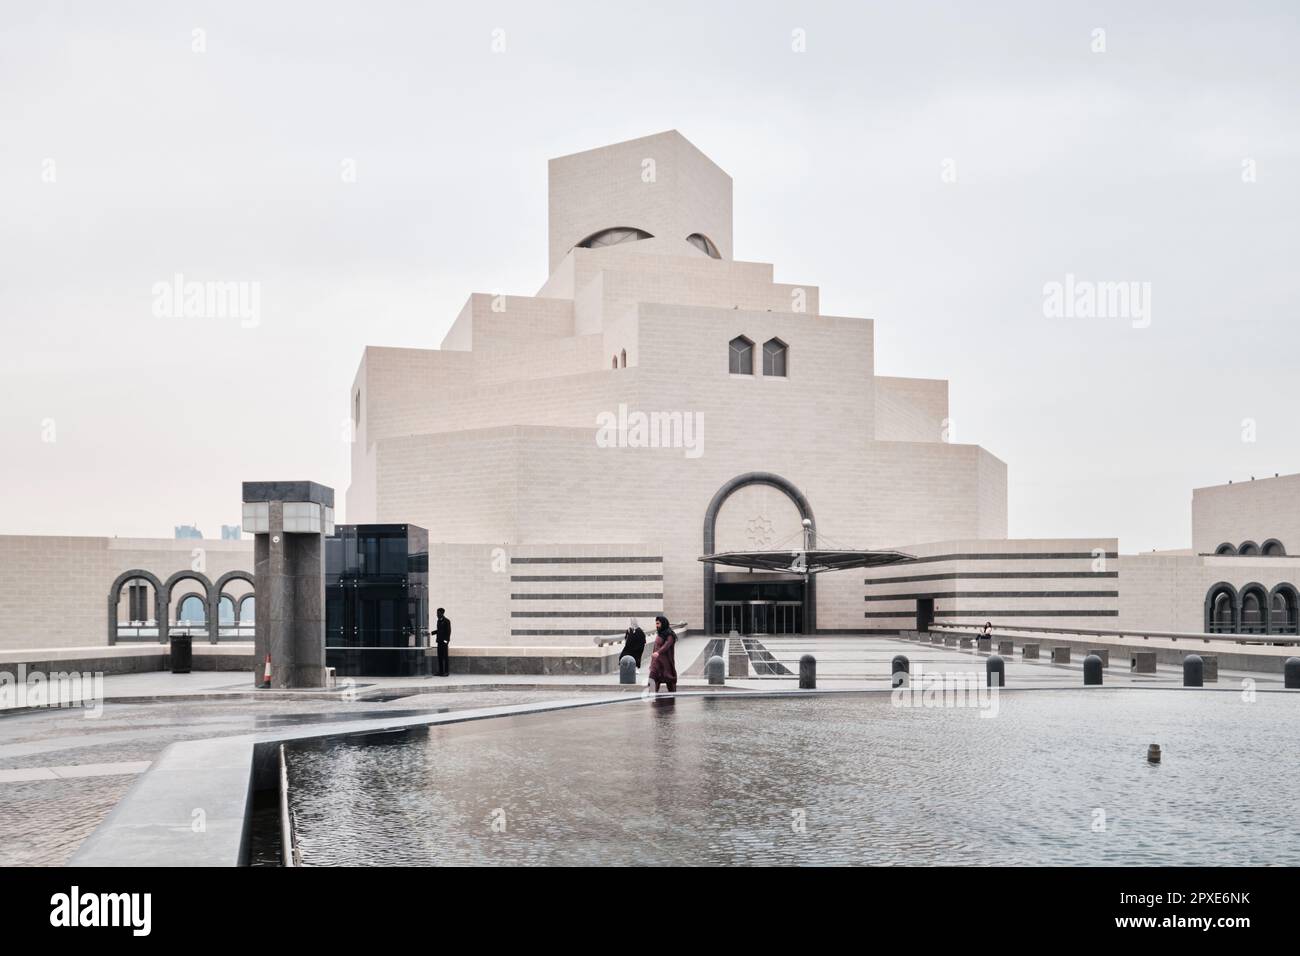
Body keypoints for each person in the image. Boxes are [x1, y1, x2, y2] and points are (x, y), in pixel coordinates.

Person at [648, 614, 677, 693]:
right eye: (656, 623)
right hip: (657, 663)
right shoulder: (659, 634)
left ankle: (672, 700)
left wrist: (658, 652)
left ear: (663, 623)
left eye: (658, 623)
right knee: (653, 679)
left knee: (670, 682)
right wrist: (653, 659)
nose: (656, 625)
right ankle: (652, 697)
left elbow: (666, 645)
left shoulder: (670, 635)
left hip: (666, 663)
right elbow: (655, 648)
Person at [433, 607, 451, 677]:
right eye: (437, 613)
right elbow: (439, 630)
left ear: (442, 613)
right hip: (439, 641)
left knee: (445, 657)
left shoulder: (447, 621)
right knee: (439, 657)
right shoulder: (438, 621)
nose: (437, 614)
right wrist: (432, 633)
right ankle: (440, 671)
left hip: (444, 642)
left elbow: (448, 631)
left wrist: (446, 641)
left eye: (438, 613)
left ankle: (446, 672)